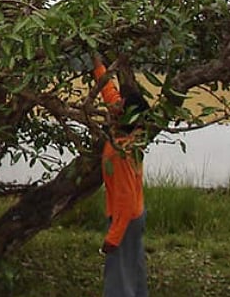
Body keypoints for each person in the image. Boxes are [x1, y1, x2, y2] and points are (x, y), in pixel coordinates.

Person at [93, 55, 149, 297]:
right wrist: (97, 63)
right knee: (133, 269)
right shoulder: (127, 133)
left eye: (122, 104)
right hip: (133, 215)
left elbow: (124, 200)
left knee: (119, 276)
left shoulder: (123, 153)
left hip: (124, 219)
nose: (117, 104)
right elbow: (109, 93)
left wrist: (113, 238)